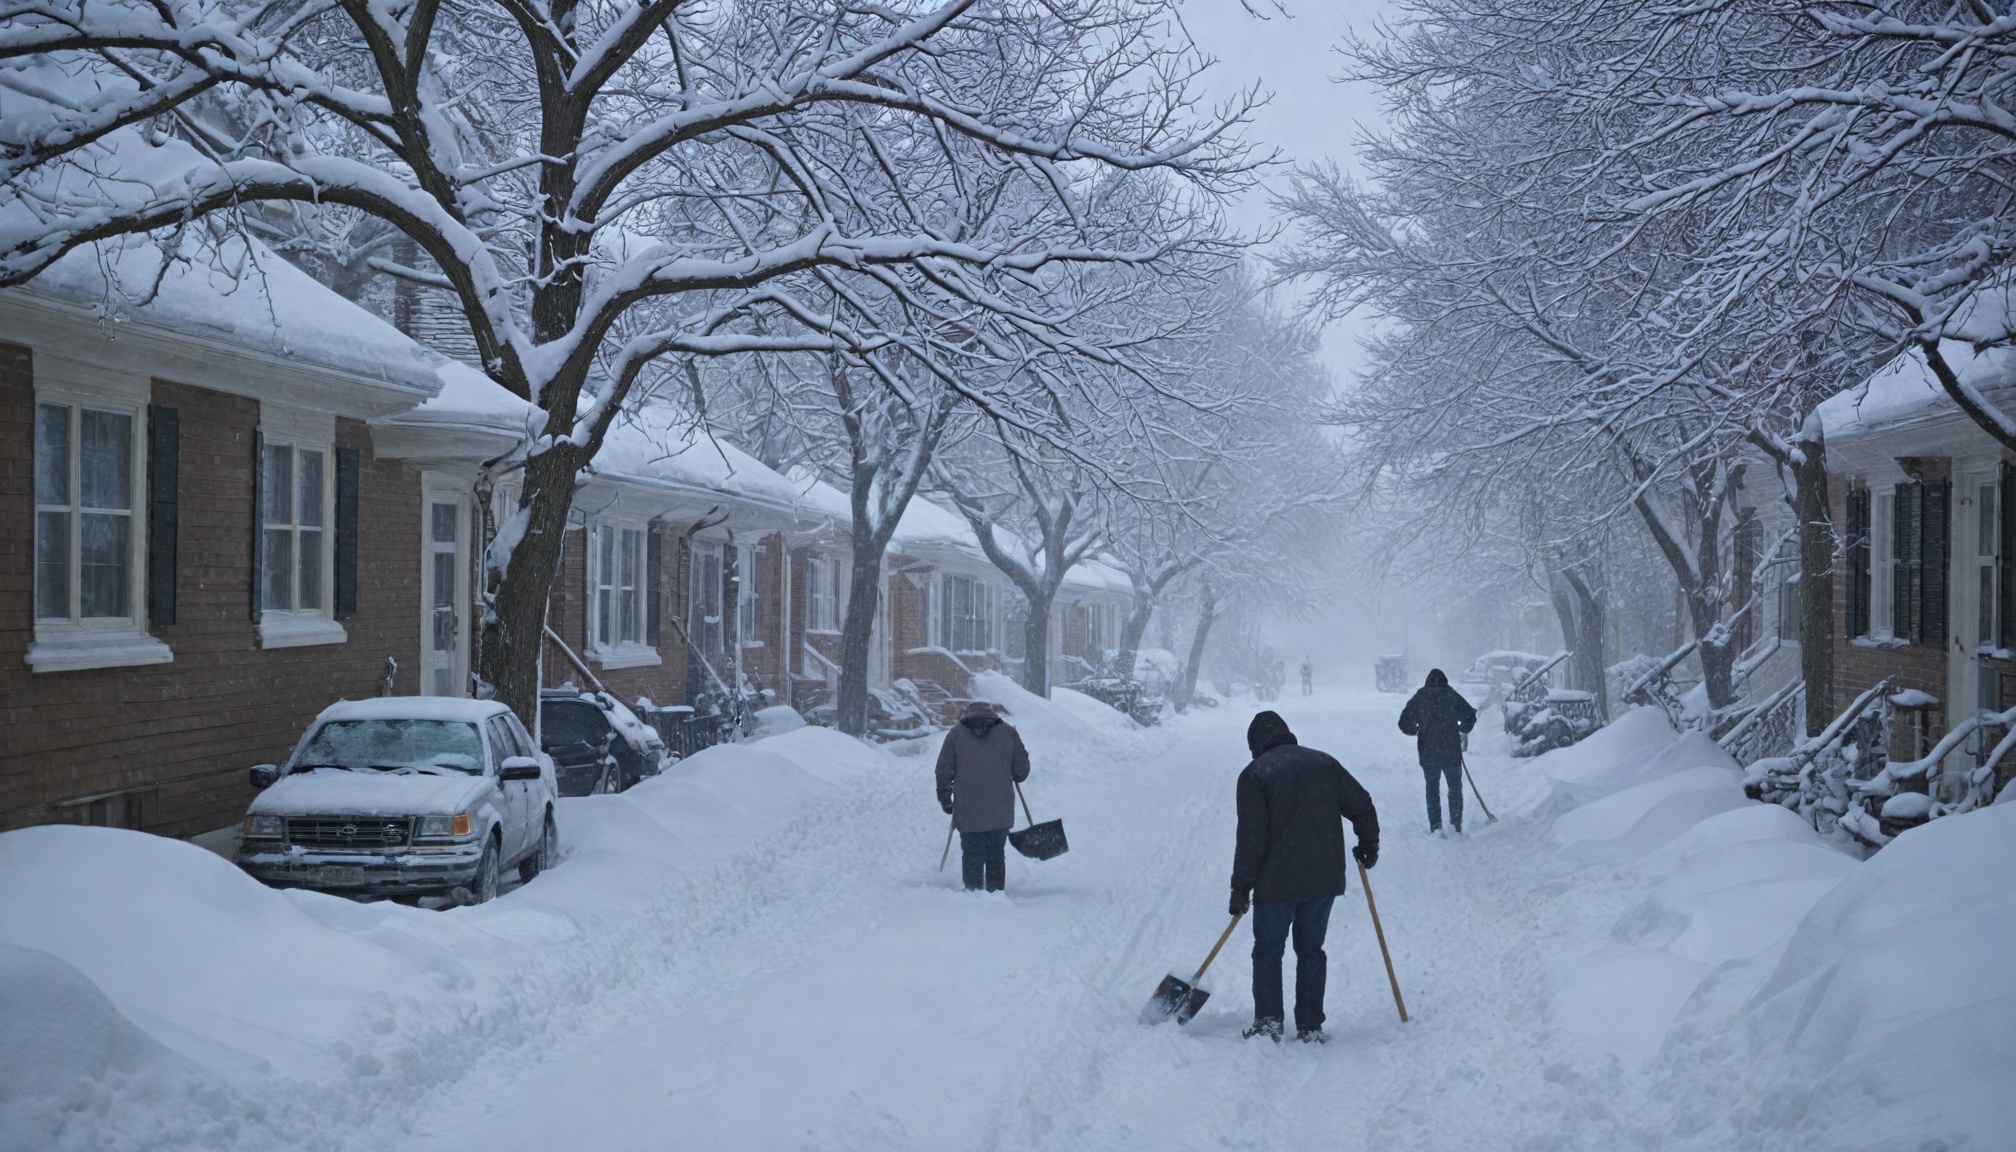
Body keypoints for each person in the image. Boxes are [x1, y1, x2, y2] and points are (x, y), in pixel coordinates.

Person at [1230, 710, 1380, 1043]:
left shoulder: (1255, 774)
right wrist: (1369, 843)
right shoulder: (1323, 763)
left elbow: (1252, 836)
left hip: (1276, 882)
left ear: (1256, 744)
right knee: (1311, 949)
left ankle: (1269, 1021)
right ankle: (1310, 1025)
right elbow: (1362, 803)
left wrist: (1241, 886)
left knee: (1269, 951)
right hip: (1323, 877)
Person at [935, 701, 1030, 892]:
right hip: (999, 807)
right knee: (995, 852)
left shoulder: (956, 734)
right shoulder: (1008, 733)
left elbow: (943, 770)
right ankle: (995, 893)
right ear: (991, 713)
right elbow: (1022, 770)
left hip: (968, 808)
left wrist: (945, 798)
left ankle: (973, 892)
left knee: (971, 852)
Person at [1398, 668, 1478, 835]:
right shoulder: (1451, 695)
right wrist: (1462, 728)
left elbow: (1403, 722)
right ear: (1445, 682)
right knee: (1455, 787)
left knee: (1432, 788)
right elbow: (1470, 715)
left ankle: (1435, 825)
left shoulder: (1420, 696)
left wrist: (1417, 730)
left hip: (1429, 752)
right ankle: (1455, 825)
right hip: (1451, 751)